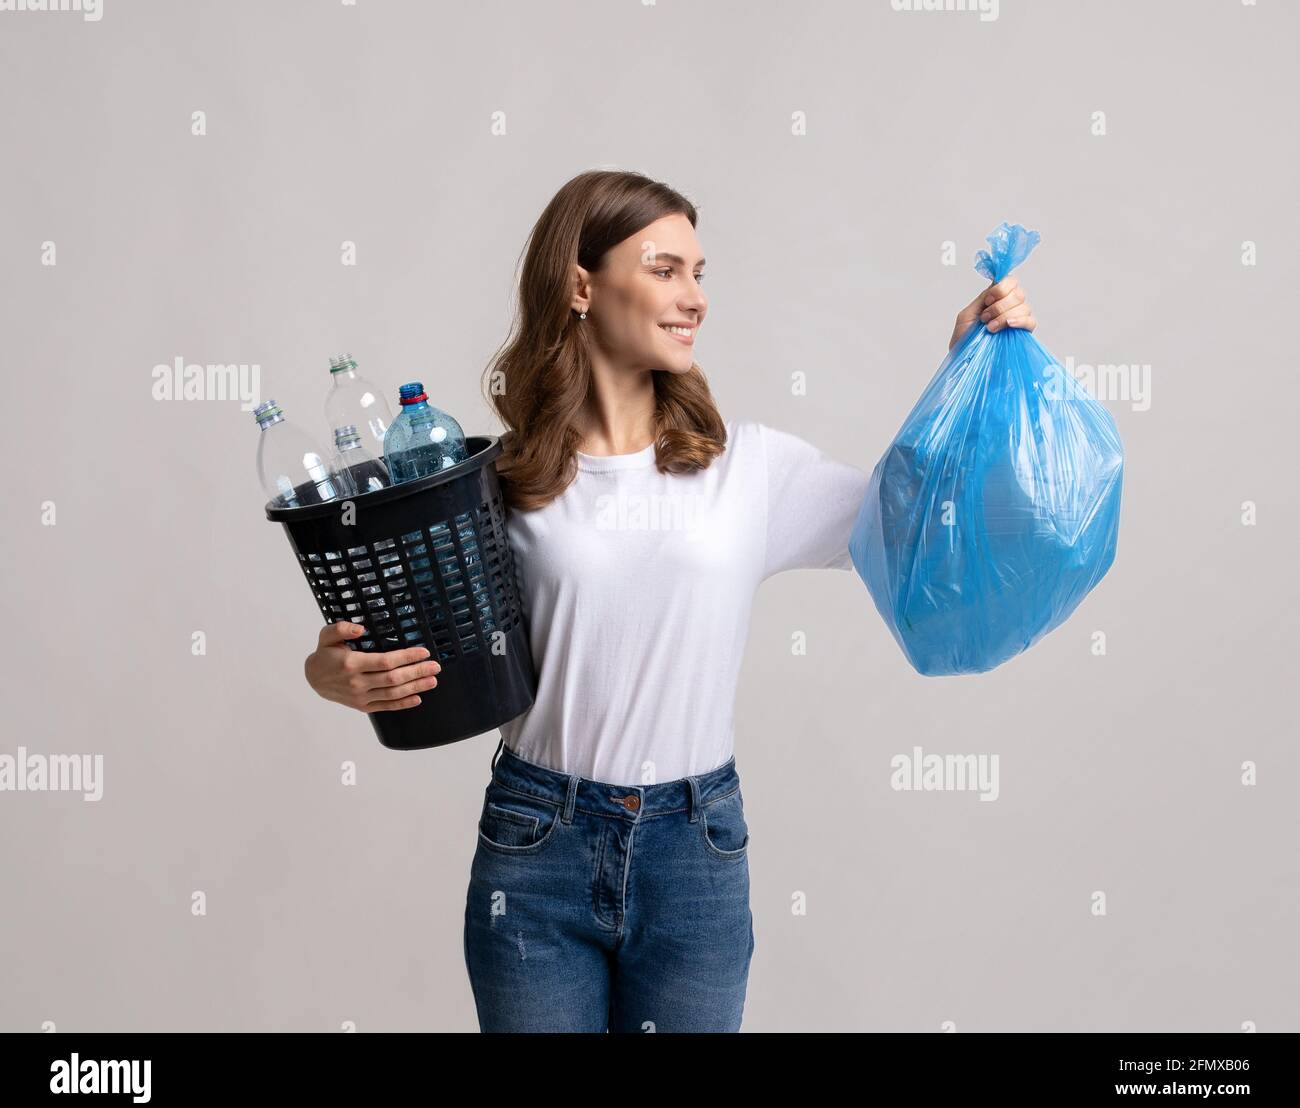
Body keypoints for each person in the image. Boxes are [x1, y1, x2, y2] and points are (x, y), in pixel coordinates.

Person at [302, 170, 1036, 1032]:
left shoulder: (748, 469)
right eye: (666, 269)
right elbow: (389, 639)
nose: (696, 298)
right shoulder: (499, 482)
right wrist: (331, 670)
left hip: (696, 854)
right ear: (581, 285)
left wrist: (969, 374)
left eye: (700, 272)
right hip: (536, 845)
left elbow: (916, 523)